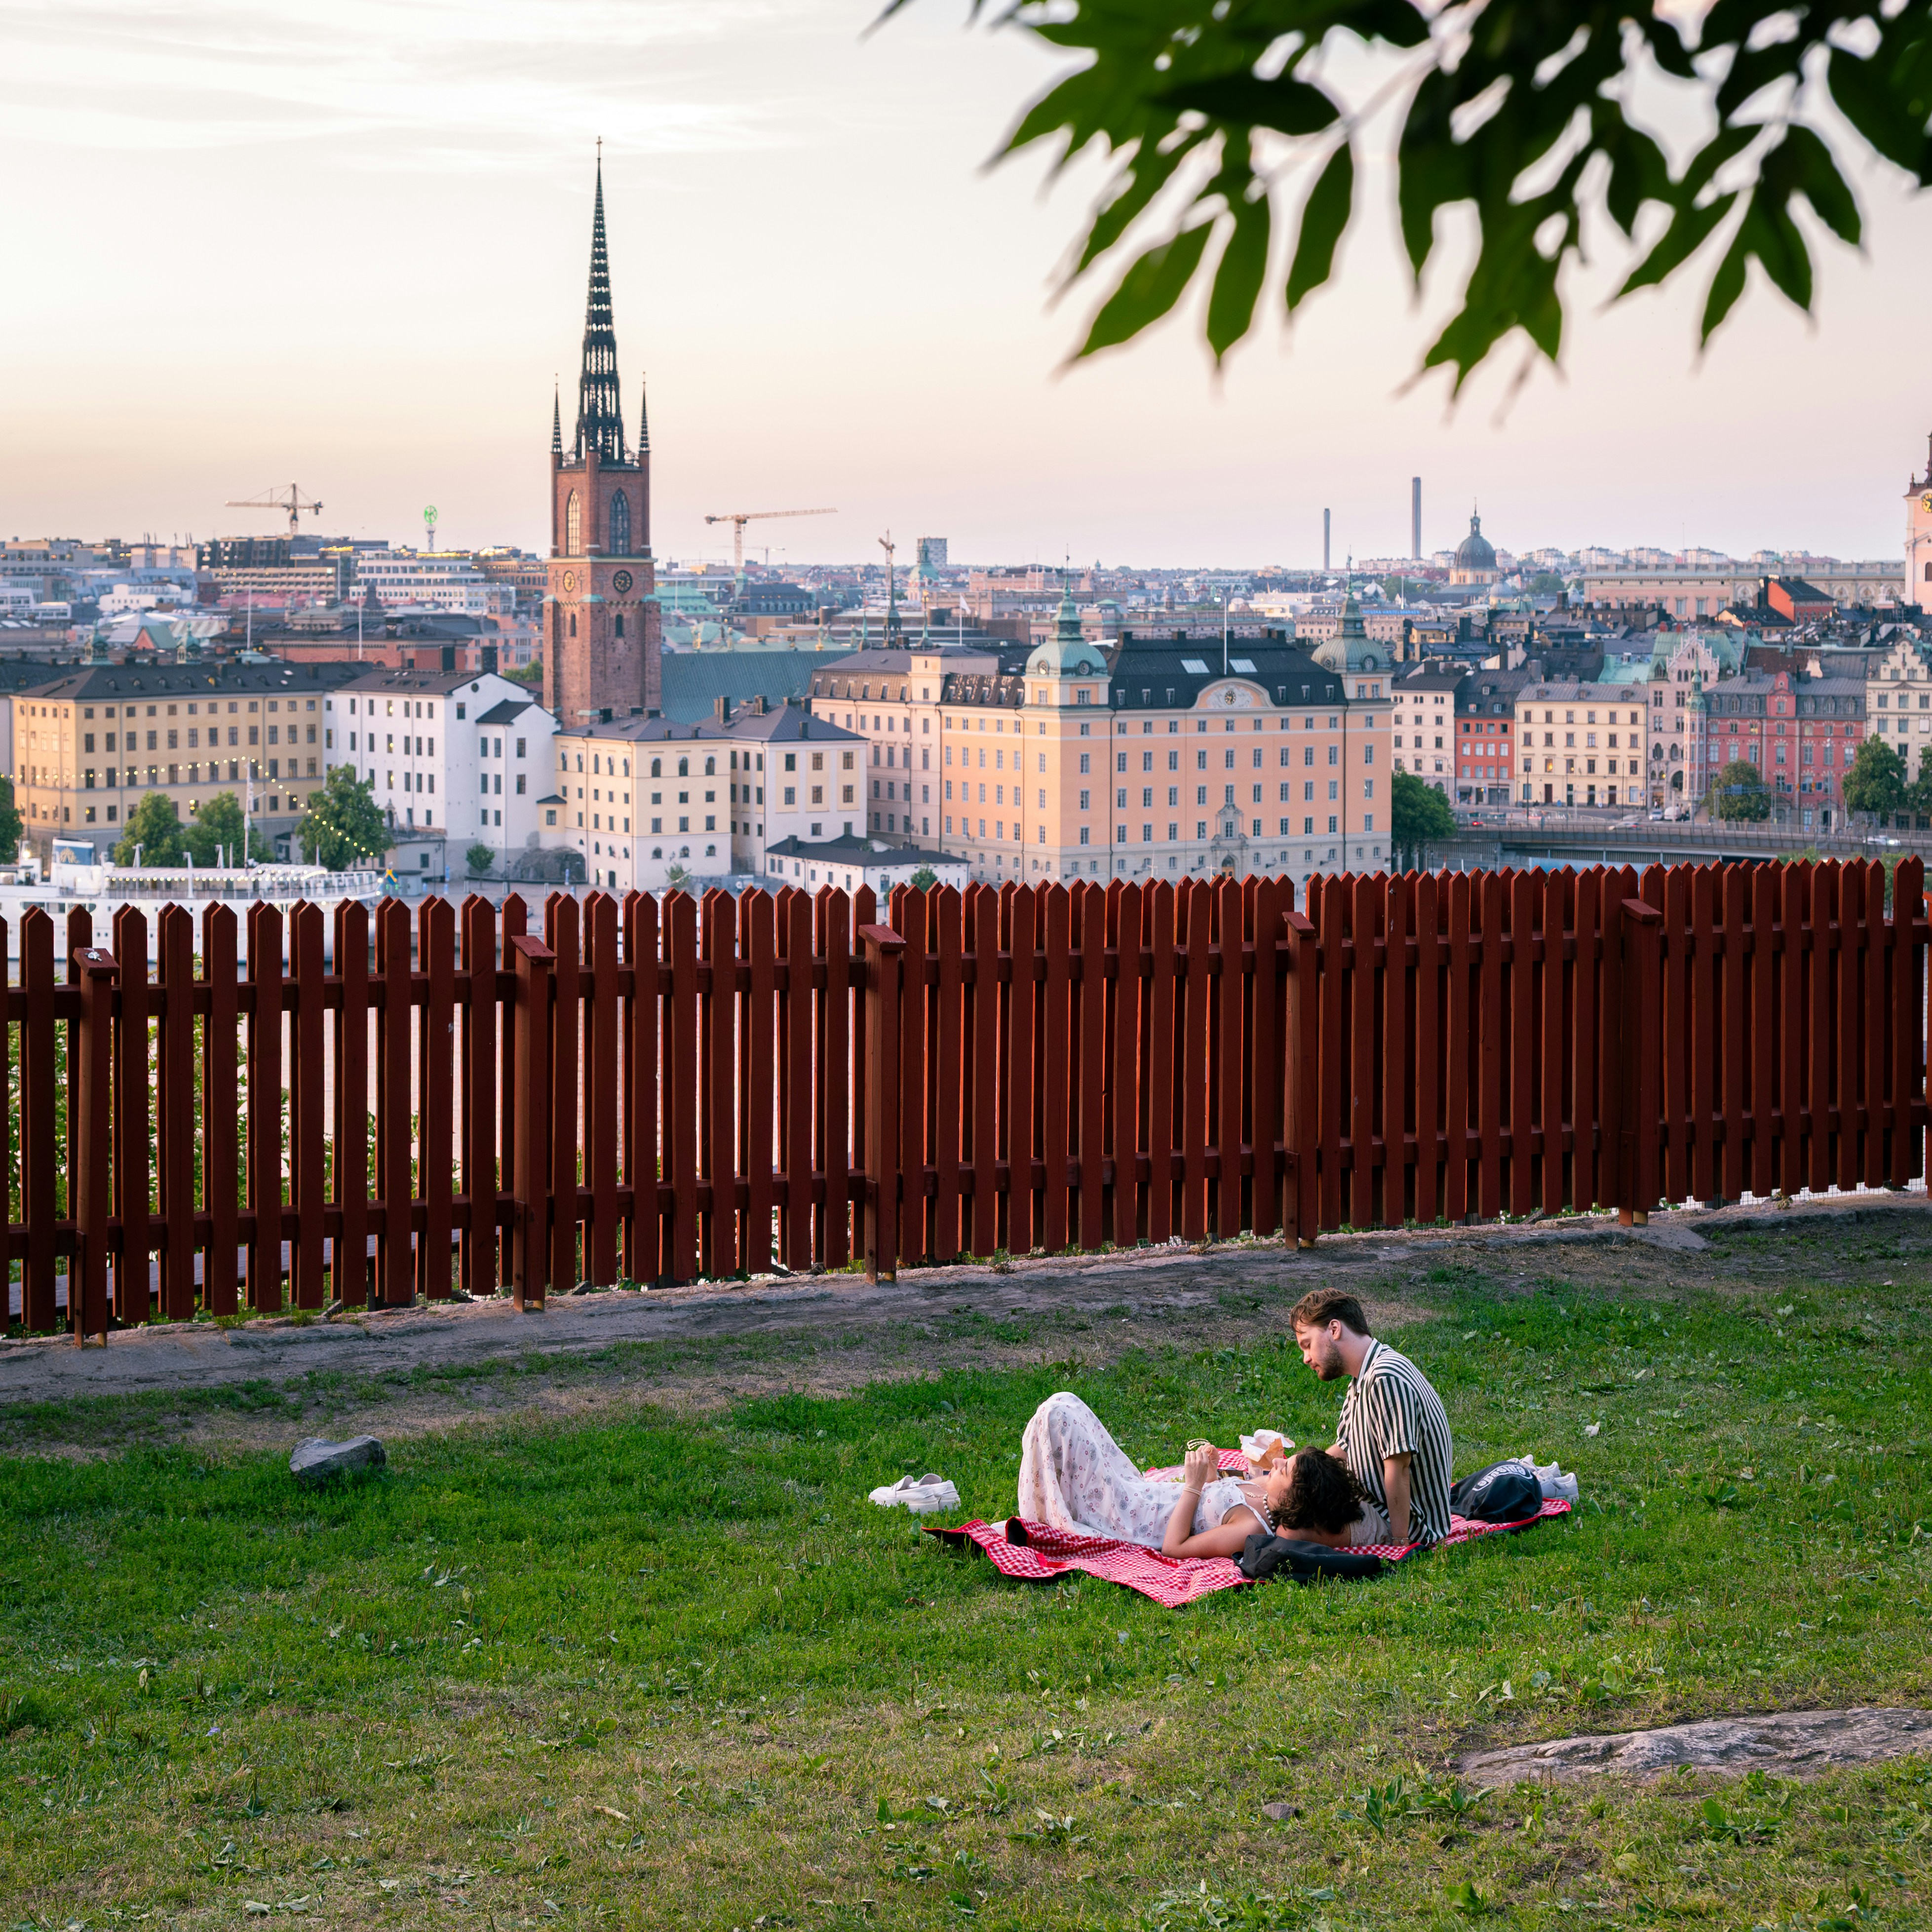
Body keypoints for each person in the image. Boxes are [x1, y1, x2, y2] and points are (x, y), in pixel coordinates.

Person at [1017, 1391, 1322, 1559]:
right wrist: (1213, 1474)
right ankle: (1053, 1494)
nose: (1279, 1464)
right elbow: (1214, 1507)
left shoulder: (1250, 1528)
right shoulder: (1263, 1491)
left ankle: (1046, 1507)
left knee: (1056, 1416)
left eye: (1287, 1470)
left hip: (1129, 1517)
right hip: (1142, 1492)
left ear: (1294, 1499)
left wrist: (1193, 1485)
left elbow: (1175, 1548)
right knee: (1066, 1401)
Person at [1289, 1288, 1454, 1548]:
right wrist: (1291, 1472)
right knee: (1281, 1500)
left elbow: (1398, 1467)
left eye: (1307, 1345)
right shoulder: (1363, 1376)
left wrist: (1401, 1544)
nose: (1306, 1358)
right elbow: (1344, 1448)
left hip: (1409, 1524)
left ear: (1334, 1329)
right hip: (1374, 1504)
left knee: (1290, 1529)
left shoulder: (1384, 1377)